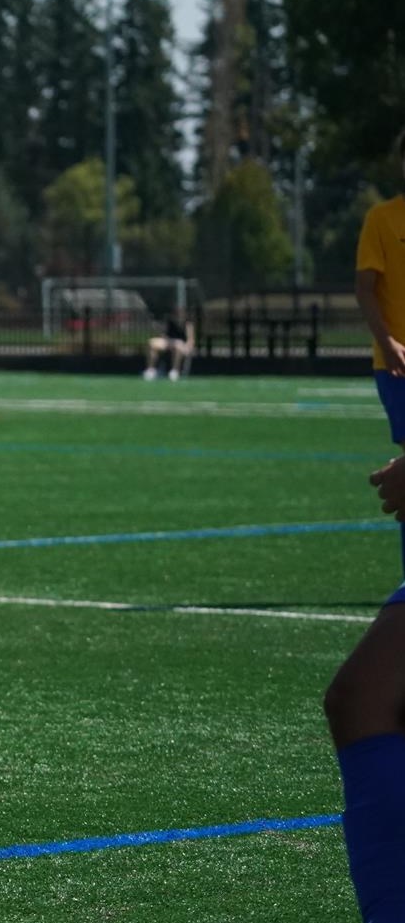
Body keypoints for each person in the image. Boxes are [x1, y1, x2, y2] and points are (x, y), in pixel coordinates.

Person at [328, 125, 405, 923]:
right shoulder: (385, 216)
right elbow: (365, 287)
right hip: (400, 366)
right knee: (360, 695)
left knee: (363, 696)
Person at [141, 312, 194, 380]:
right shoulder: (169, 321)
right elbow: (163, 334)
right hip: (169, 342)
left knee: (178, 345)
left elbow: (190, 340)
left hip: (181, 345)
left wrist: (188, 347)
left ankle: (174, 371)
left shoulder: (188, 324)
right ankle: (151, 370)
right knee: (151, 343)